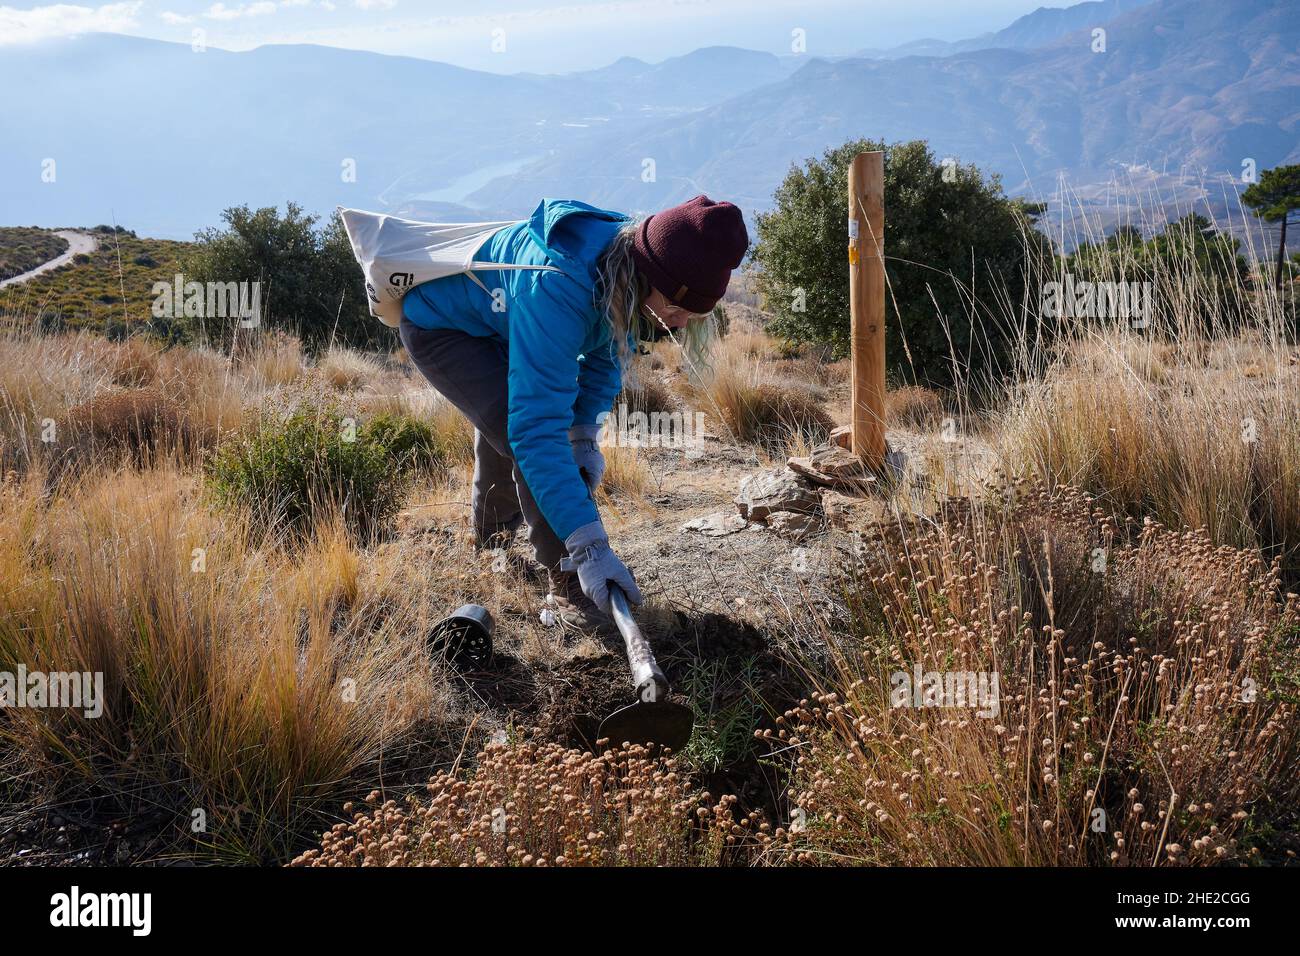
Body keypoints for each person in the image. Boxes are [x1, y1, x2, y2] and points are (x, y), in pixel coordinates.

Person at [399, 194, 748, 630]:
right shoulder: (560, 283)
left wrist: (584, 435)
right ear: (654, 277)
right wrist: (589, 548)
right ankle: (567, 583)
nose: (677, 324)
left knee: (517, 424)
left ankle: (492, 533)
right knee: (521, 430)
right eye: (677, 310)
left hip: (505, 322)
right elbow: (537, 432)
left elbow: (607, 352)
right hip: (444, 328)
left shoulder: (628, 261)